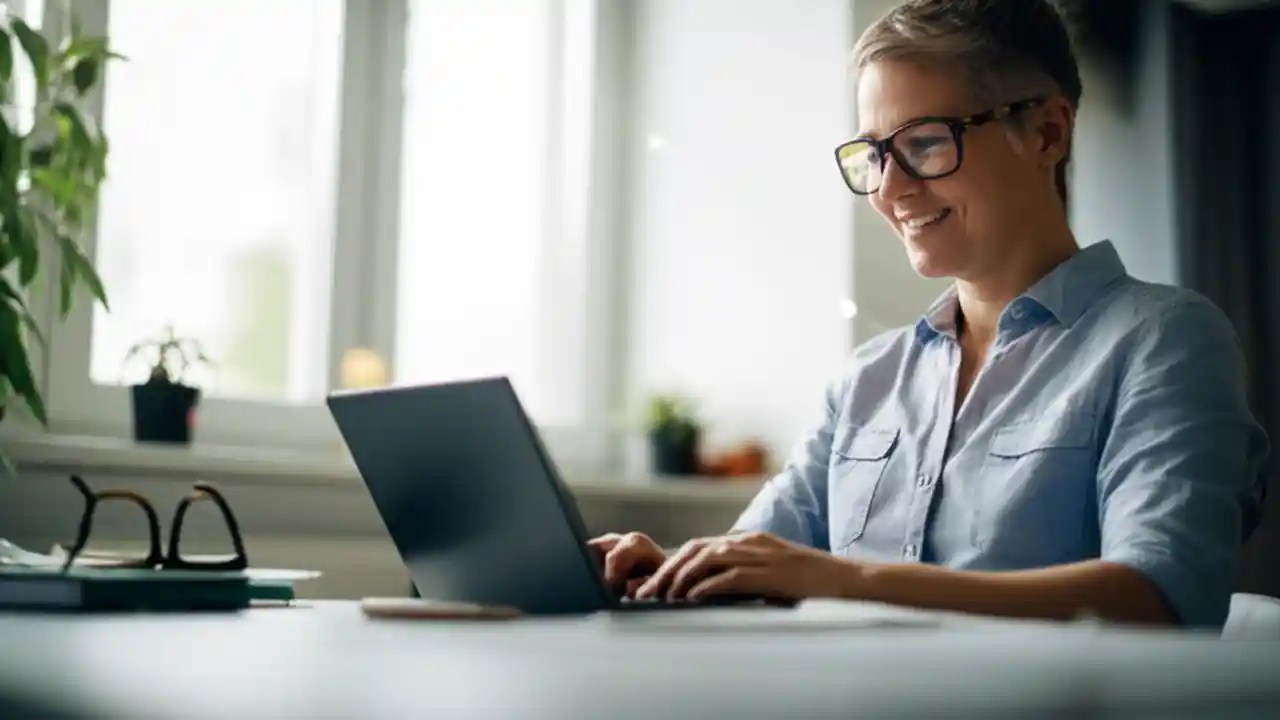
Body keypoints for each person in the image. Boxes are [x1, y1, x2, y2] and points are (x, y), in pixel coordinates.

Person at [590, 0, 1269, 628]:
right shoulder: (869, 379)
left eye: (924, 143)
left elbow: (1160, 599)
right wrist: (671, 567)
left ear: (1046, 132)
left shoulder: (1165, 339)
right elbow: (761, 561)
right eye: (874, 155)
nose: (888, 187)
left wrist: (846, 579)